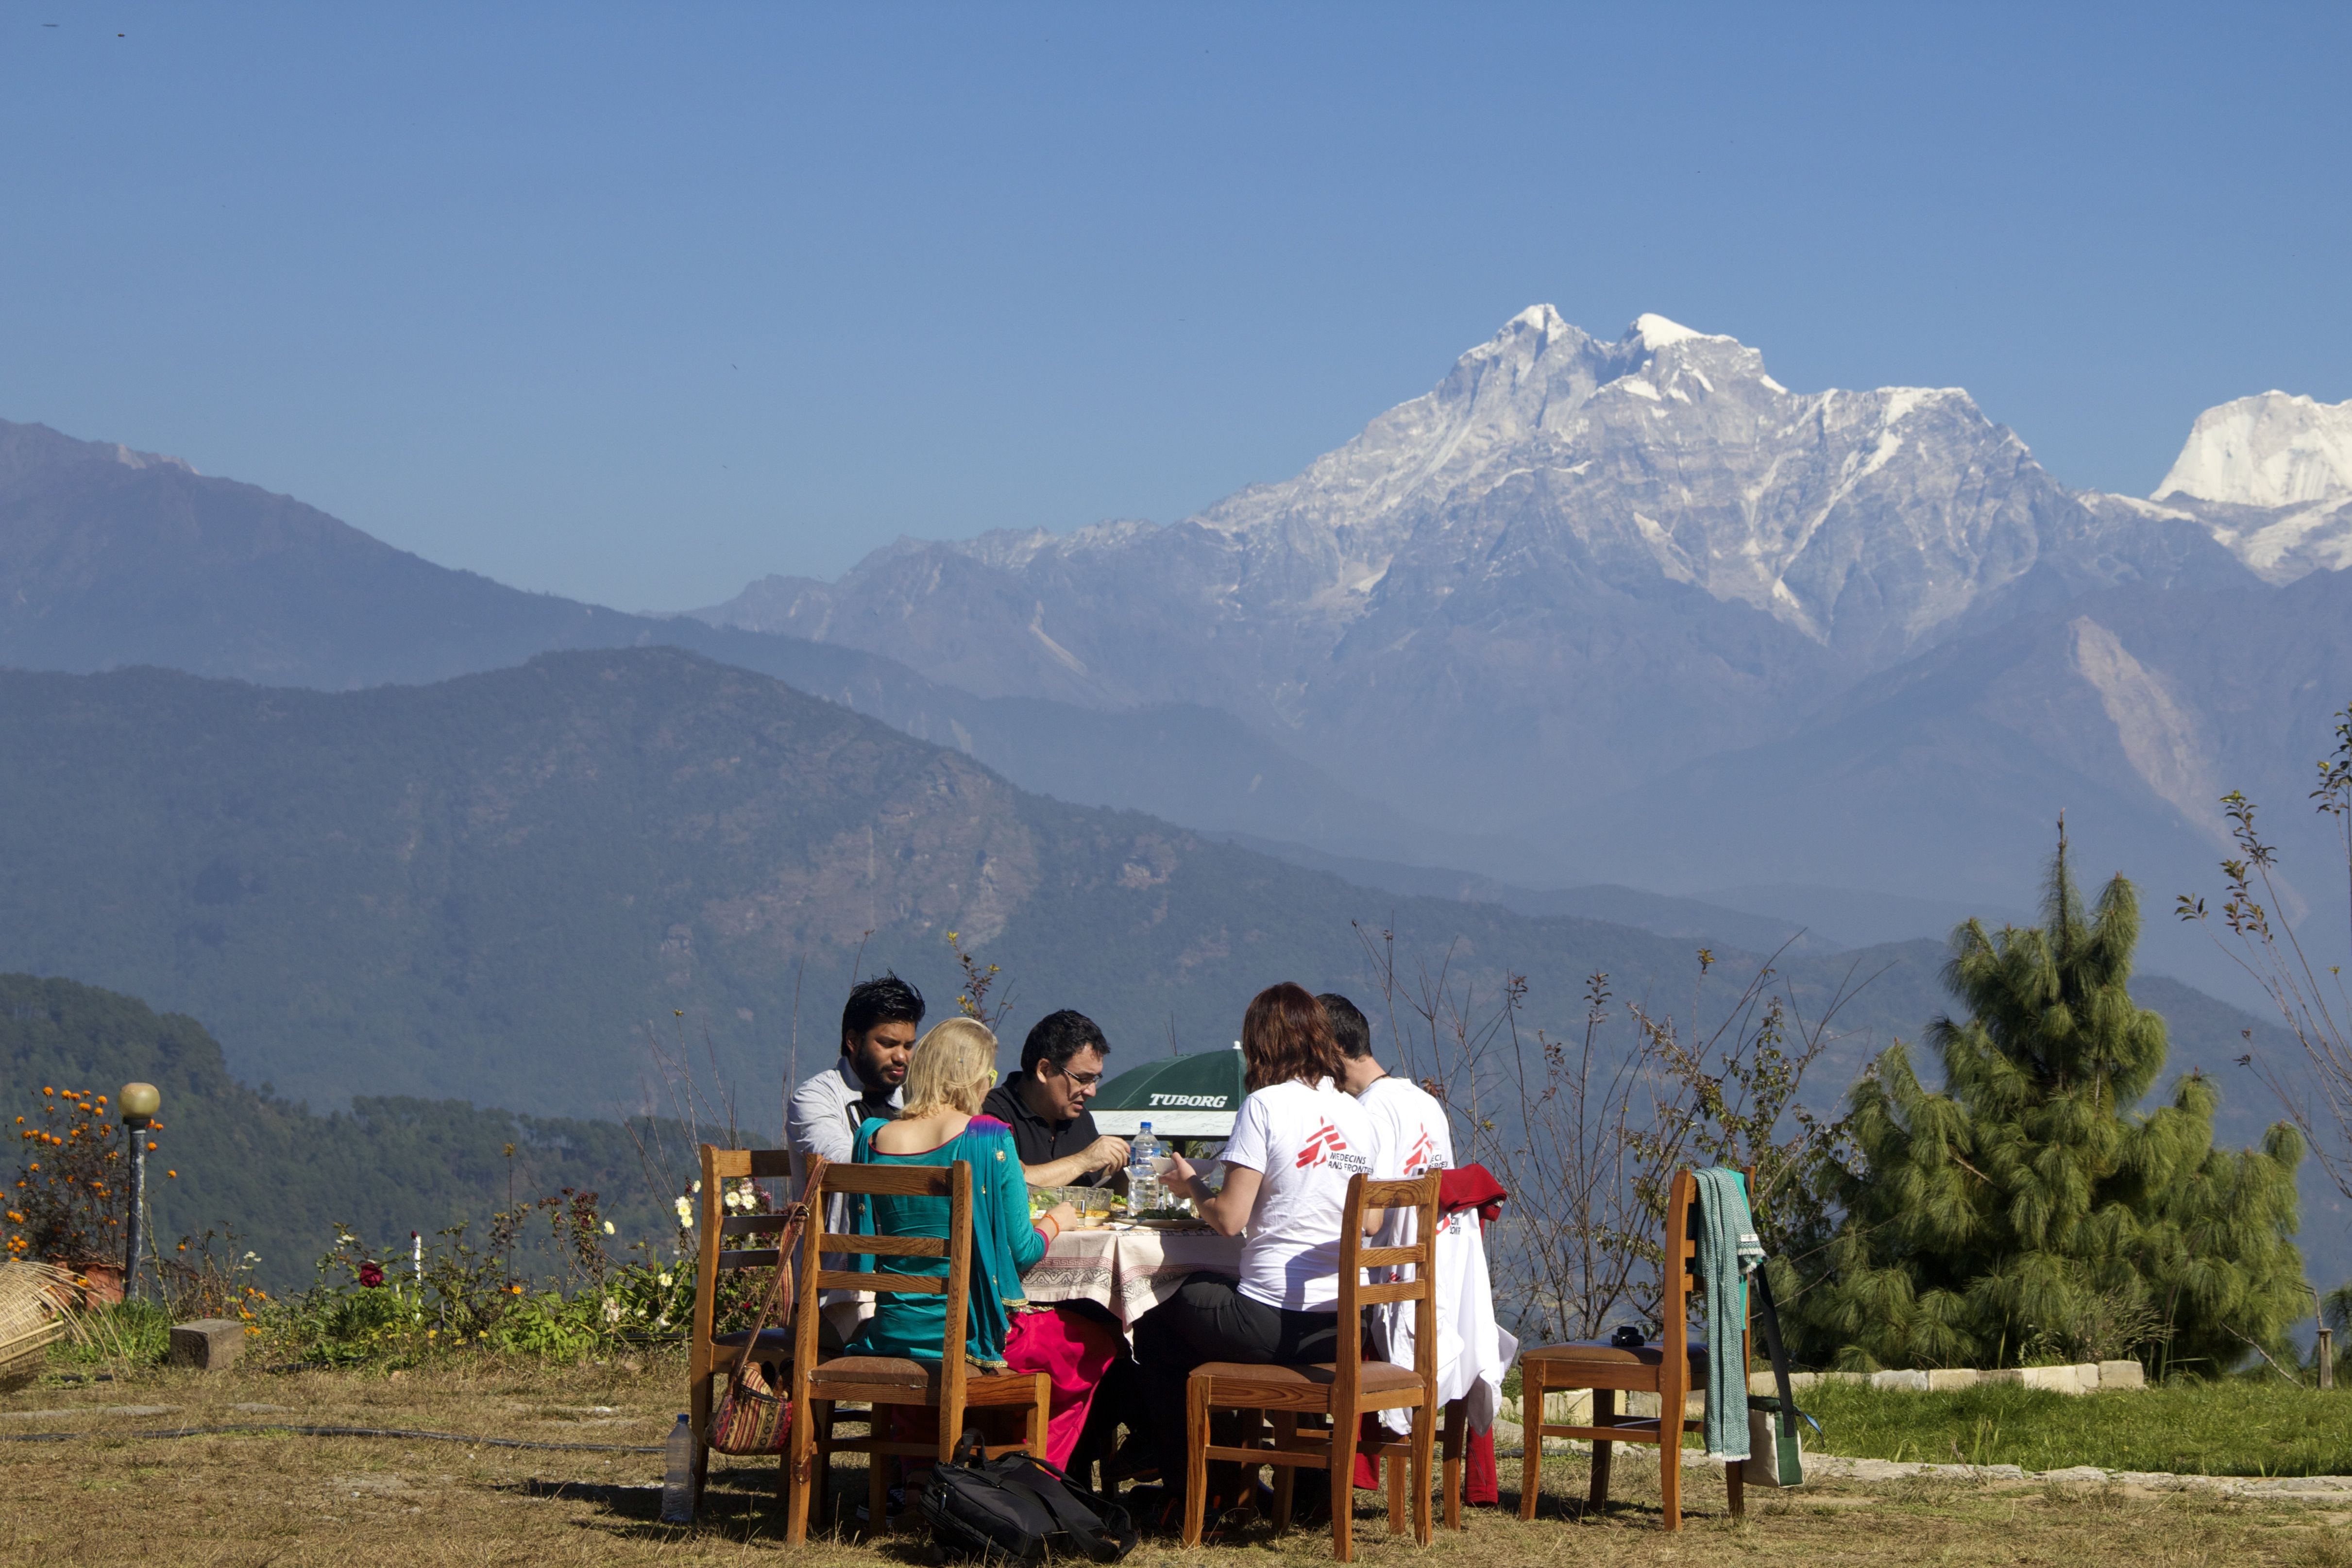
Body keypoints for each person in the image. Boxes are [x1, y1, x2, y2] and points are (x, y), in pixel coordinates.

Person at [1134, 982, 1377, 1520]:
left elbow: (1228, 1219)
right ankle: (1298, 1489)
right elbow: (1373, 1219)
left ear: (1261, 1044)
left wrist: (1190, 1185)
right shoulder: (1357, 1113)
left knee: (1153, 1314)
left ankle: (1194, 1489)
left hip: (1273, 1324)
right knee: (1201, 1307)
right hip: (1344, 1326)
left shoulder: (1265, 1104)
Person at [843, 1017, 1122, 1470]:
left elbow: (865, 1242)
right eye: (988, 1073)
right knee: (1095, 1344)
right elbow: (1023, 1251)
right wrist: (1056, 1221)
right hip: (969, 1335)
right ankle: (1027, 1475)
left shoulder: (870, 1136)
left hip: (893, 1330)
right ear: (970, 1075)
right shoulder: (987, 1135)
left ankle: (918, 1481)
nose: (989, 1084)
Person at [788, 973, 923, 1195]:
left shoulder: (915, 1097)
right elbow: (839, 1163)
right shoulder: (814, 1098)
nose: (901, 1057)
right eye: (888, 1044)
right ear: (853, 1041)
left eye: (908, 1046)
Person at [981, 1009, 1131, 1188]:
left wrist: (1134, 1175)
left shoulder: (1080, 1118)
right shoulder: (991, 1117)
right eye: (1082, 1079)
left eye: (1095, 1079)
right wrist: (1082, 1161)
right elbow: (1002, 1184)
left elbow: (1099, 1185)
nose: (1092, 1092)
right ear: (1044, 1070)